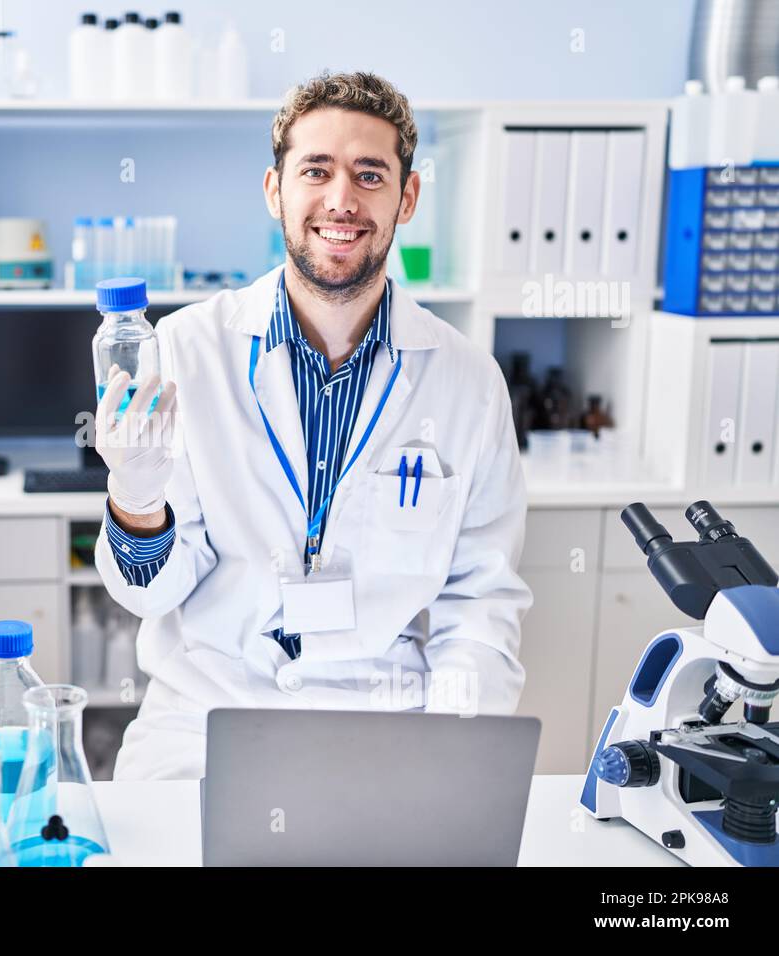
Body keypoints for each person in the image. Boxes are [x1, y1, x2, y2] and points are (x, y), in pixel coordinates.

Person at [93, 70, 532, 781]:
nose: (341, 200)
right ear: (276, 191)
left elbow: (480, 601)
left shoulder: (468, 382)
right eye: (316, 170)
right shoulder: (182, 352)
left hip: (385, 726)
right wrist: (137, 503)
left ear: (407, 198)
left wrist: (456, 749)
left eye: (369, 174)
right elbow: (154, 593)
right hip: (209, 719)